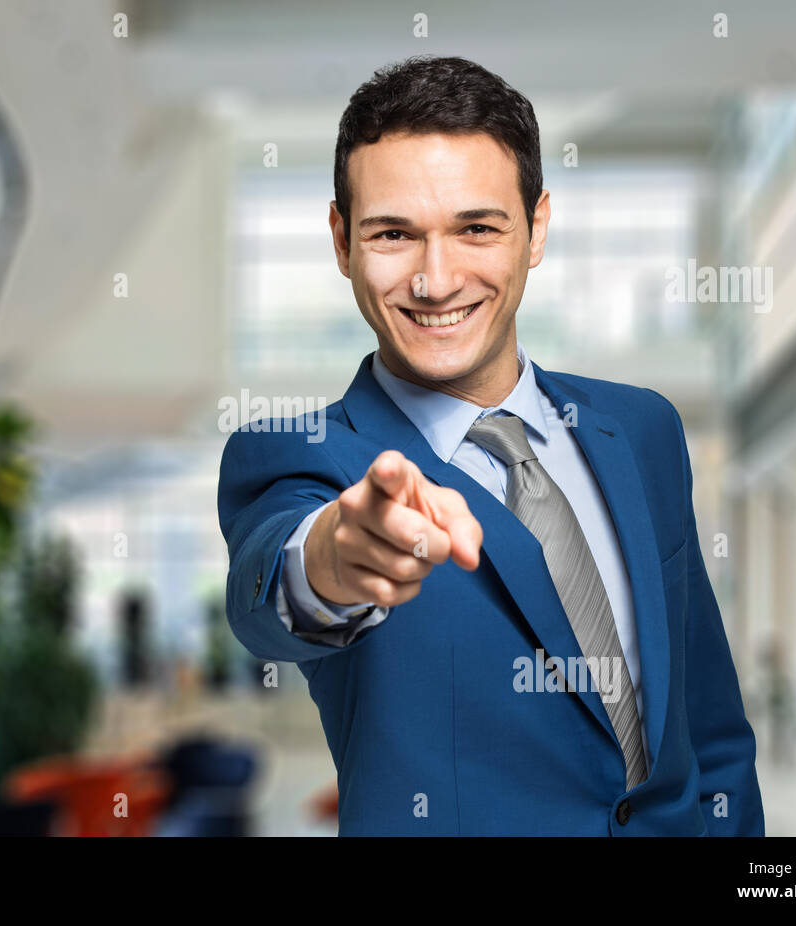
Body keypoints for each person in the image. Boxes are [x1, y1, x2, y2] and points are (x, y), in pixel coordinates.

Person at [216, 55, 763, 836]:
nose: (436, 281)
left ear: (536, 228)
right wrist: (339, 558)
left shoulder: (643, 430)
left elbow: (708, 728)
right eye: (393, 234)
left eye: (476, 228)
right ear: (341, 242)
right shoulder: (302, 456)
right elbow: (275, 583)